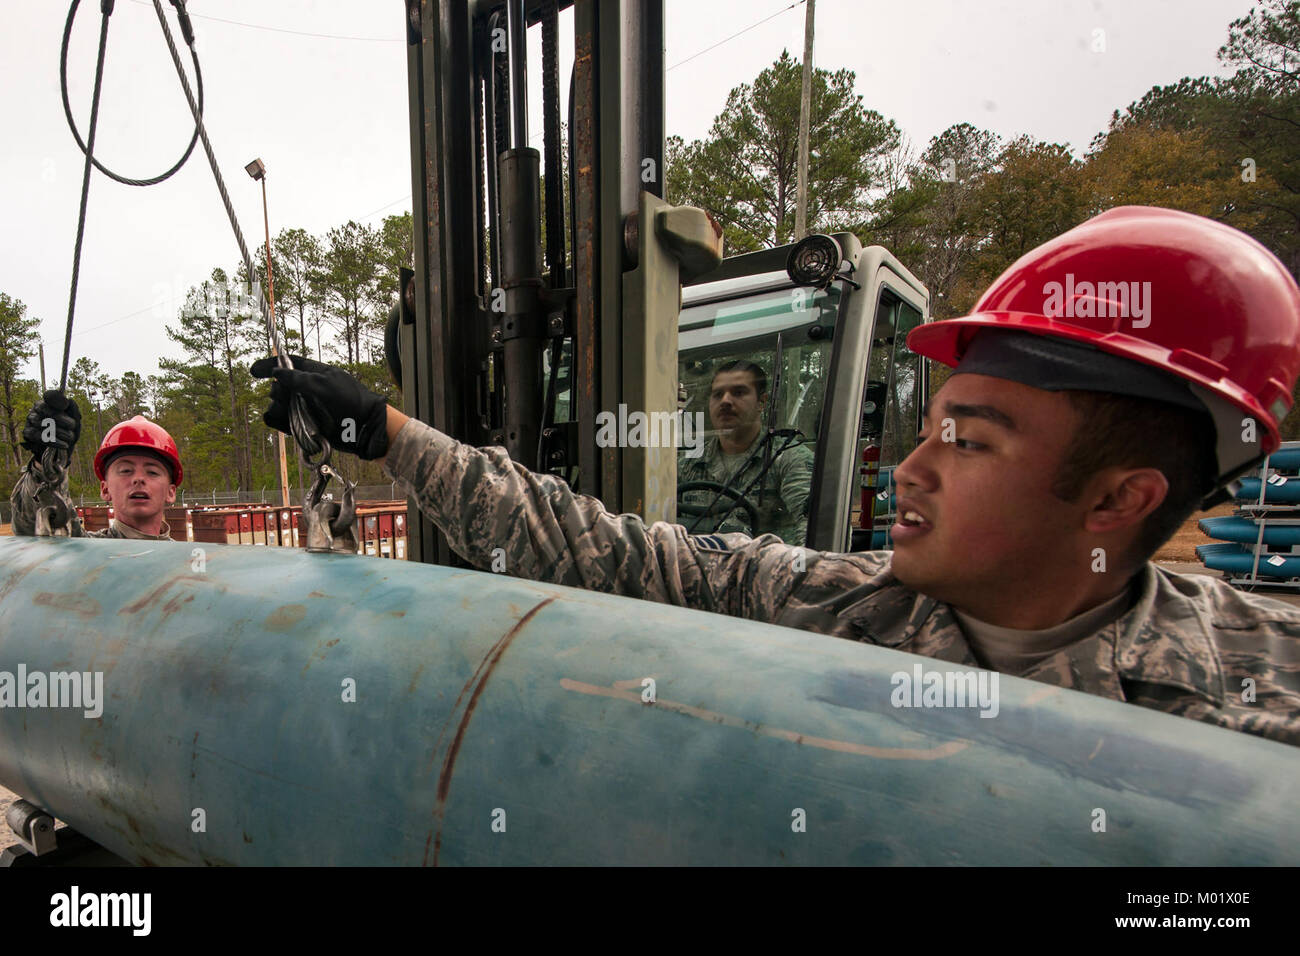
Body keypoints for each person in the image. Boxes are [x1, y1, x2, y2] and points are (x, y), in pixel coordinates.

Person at [253, 206, 1300, 747]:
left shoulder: (1256, 701)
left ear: (1119, 501)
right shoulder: (832, 604)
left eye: (972, 441)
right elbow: (610, 550)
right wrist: (387, 430)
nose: (916, 469)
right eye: (930, 427)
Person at [10, 393, 183, 540]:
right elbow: (37, 529)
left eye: (152, 472)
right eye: (126, 471)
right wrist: (45, 464)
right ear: (105, 488)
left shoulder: (191, 564)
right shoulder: (84, 555)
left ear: (171, 491)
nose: (138, 479)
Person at [677, 359, 814, 545]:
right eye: (717, 394)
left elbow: (815, 526)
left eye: (738, 392)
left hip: (767, 571)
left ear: (761, 402)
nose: (725, 400)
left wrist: (793, 568)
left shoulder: (787, 457)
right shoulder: (687, 463)